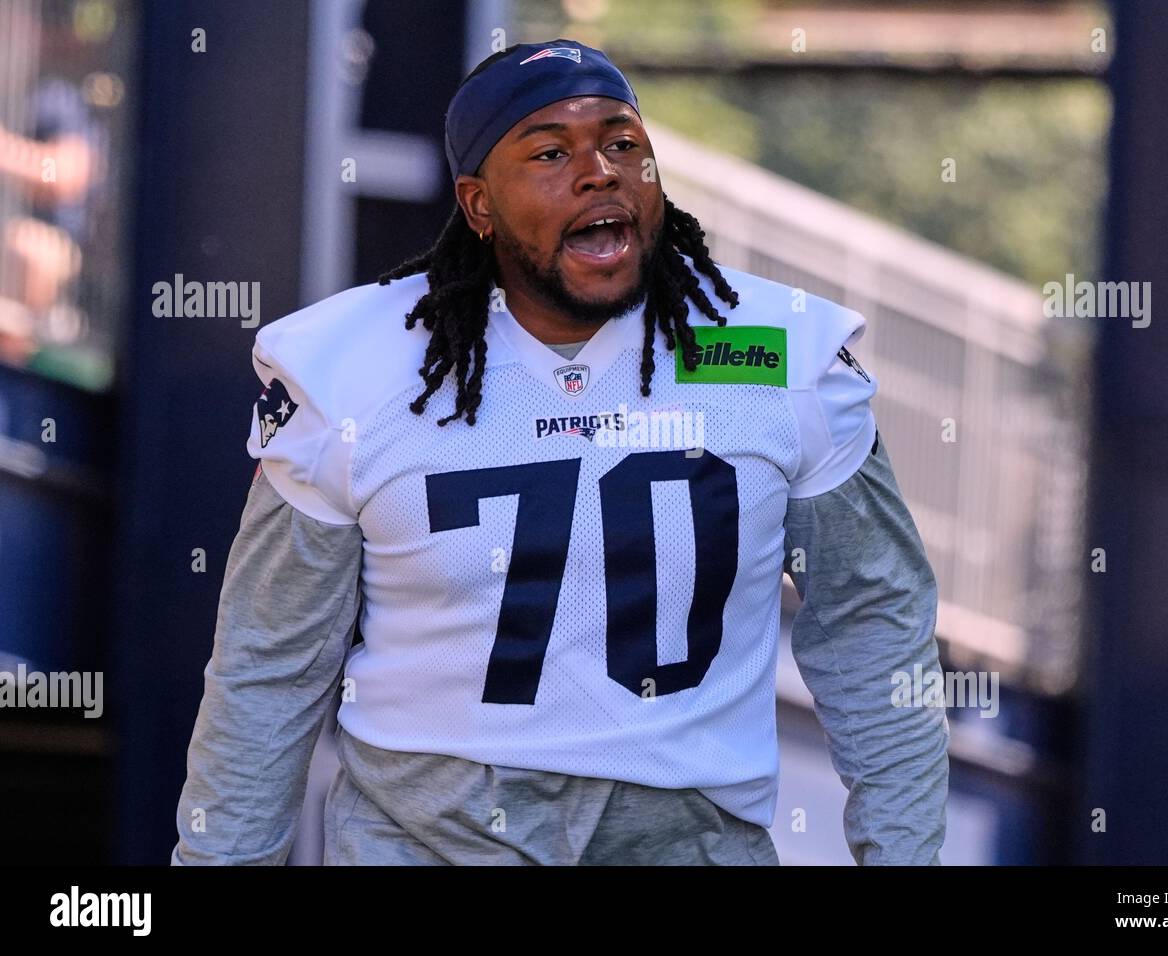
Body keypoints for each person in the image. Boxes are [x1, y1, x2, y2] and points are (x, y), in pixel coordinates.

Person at [172, 38, 947, 866]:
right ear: (478, 204)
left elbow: (874, 626)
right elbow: (270, 667)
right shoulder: (350, 370)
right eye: (550, 151)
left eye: (623, 144)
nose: (600, 171)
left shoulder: (785, 353)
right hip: (428, 842)